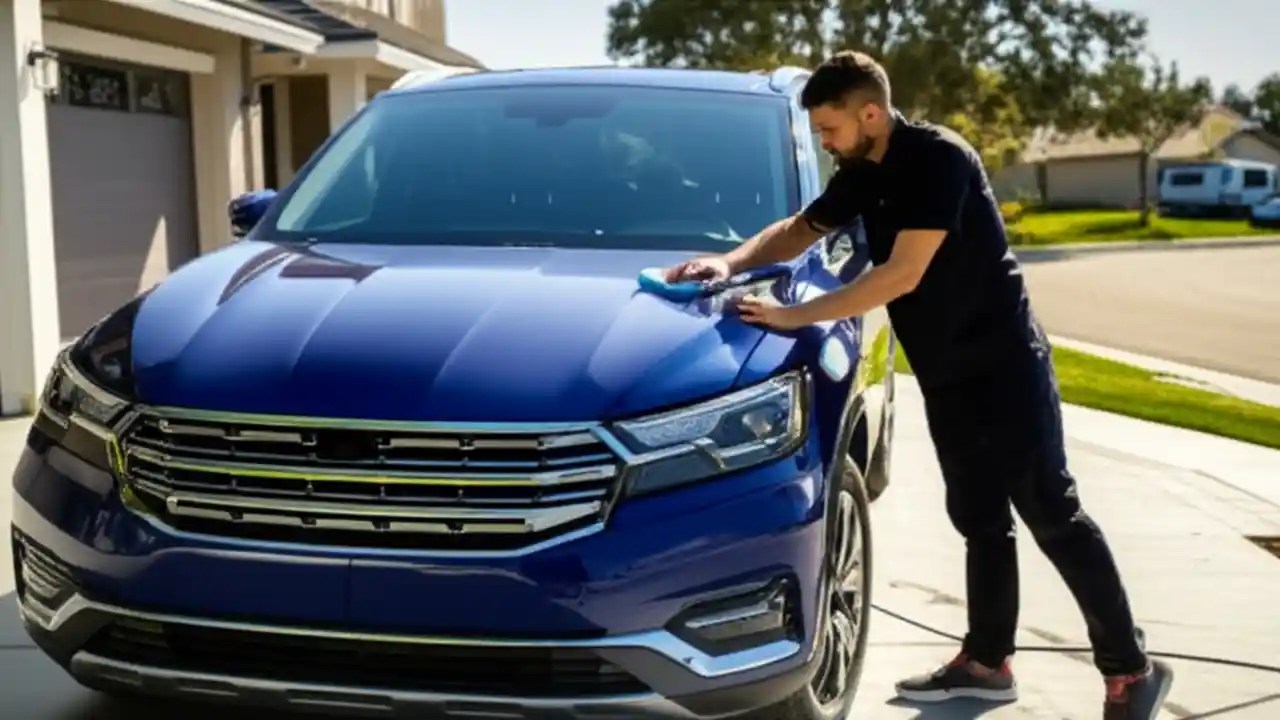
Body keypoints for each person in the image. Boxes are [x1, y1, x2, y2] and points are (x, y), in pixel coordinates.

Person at [662, 51, 1173, 720]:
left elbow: (901, 273)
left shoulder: (939, 159)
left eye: (830, 129)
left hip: (1005, 366)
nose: (825, 142)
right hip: (948, 374)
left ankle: (1130, 671)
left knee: (1052, 513)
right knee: (979, 519)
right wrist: (727, 262)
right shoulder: (861, 172)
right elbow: (797, 230)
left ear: (869, 113)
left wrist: (792, 317)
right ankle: (987, 663)